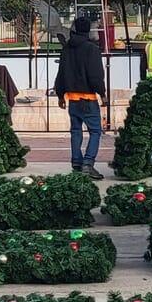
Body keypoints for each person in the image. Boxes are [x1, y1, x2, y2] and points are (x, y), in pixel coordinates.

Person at [54, 11, 107, 177]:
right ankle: (88, 163)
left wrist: (60, 95)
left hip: (72, 99)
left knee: (76, 131)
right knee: (95, 131)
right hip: (88, 98)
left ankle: (76, 162)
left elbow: (61, 73)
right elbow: (96, 75)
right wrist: (102, 93)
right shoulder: (92, 49)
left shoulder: (66, 48)